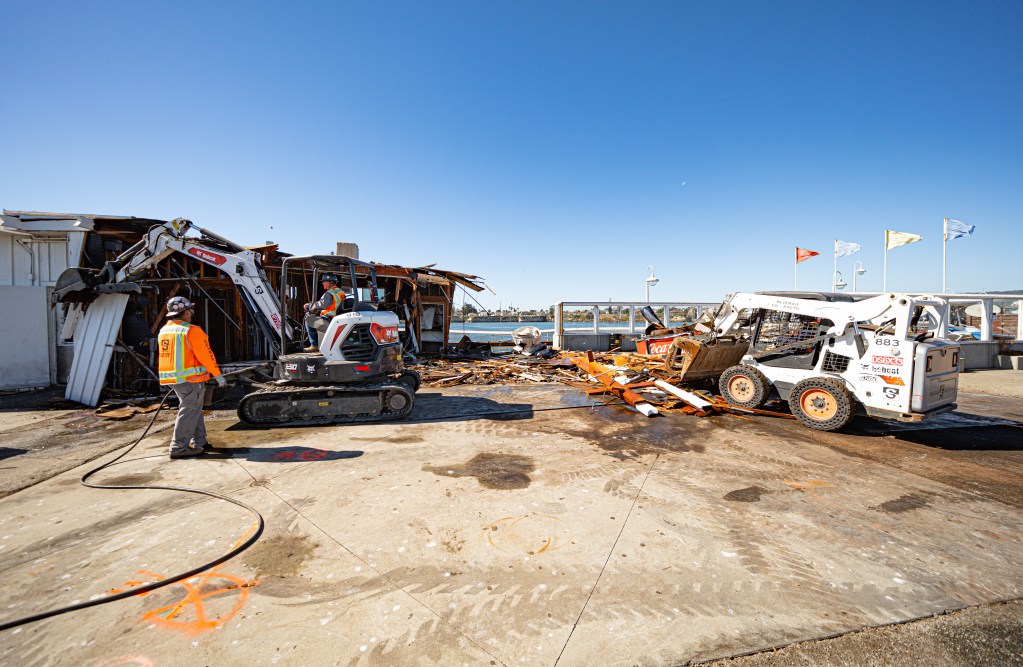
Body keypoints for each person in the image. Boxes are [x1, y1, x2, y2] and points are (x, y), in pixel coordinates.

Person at [158, 296, 227, 459]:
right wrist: (218, 376)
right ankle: (178, 447)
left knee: (193, 409)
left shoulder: (165, 330)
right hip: (191, 380)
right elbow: (206, 356)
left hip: (173, 379)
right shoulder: (192, 330)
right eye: (191, 310)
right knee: (189, 411)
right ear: (186, 312)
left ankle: (200, 442)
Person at [303, 273, 348, 352]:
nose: (322, 283)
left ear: (329, 282)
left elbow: (323, 305)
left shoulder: (329, 293)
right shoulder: (340, 292)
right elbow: (334, 306)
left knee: (308, 319)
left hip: (330, 319)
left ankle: (314, 345)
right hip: (337, 318)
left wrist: (309, 305)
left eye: (324, 281)